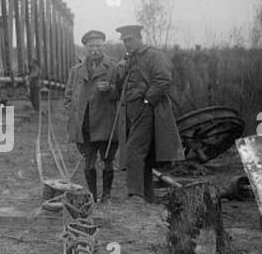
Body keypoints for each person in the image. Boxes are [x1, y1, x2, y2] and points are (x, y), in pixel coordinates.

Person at [112, 24, 184, 203]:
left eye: (129, 40)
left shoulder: (154, 55)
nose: (126, 44)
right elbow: (121, 86)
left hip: (147, 111)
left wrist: (147, 100)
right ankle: (147, 197)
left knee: (134, 151)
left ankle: (135, 195)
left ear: (139, 38)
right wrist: (121, 70)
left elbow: (163, 80)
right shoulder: (129, 59)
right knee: (143, 155)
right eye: (124, 41)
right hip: (130, 112)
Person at [65, 30, 121, 202]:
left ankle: (106, 195)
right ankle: (92, 195)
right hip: (85, 124)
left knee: (107, 160)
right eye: (91, 46)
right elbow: (68, 95)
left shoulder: (113, 66)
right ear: (85, 47)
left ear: (103, 46)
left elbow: (122, 93)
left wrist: (110, 89)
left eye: (98, 46)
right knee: (88, 161)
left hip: (106, 122)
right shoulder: (76, 70)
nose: (94, 49)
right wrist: (71, 115)